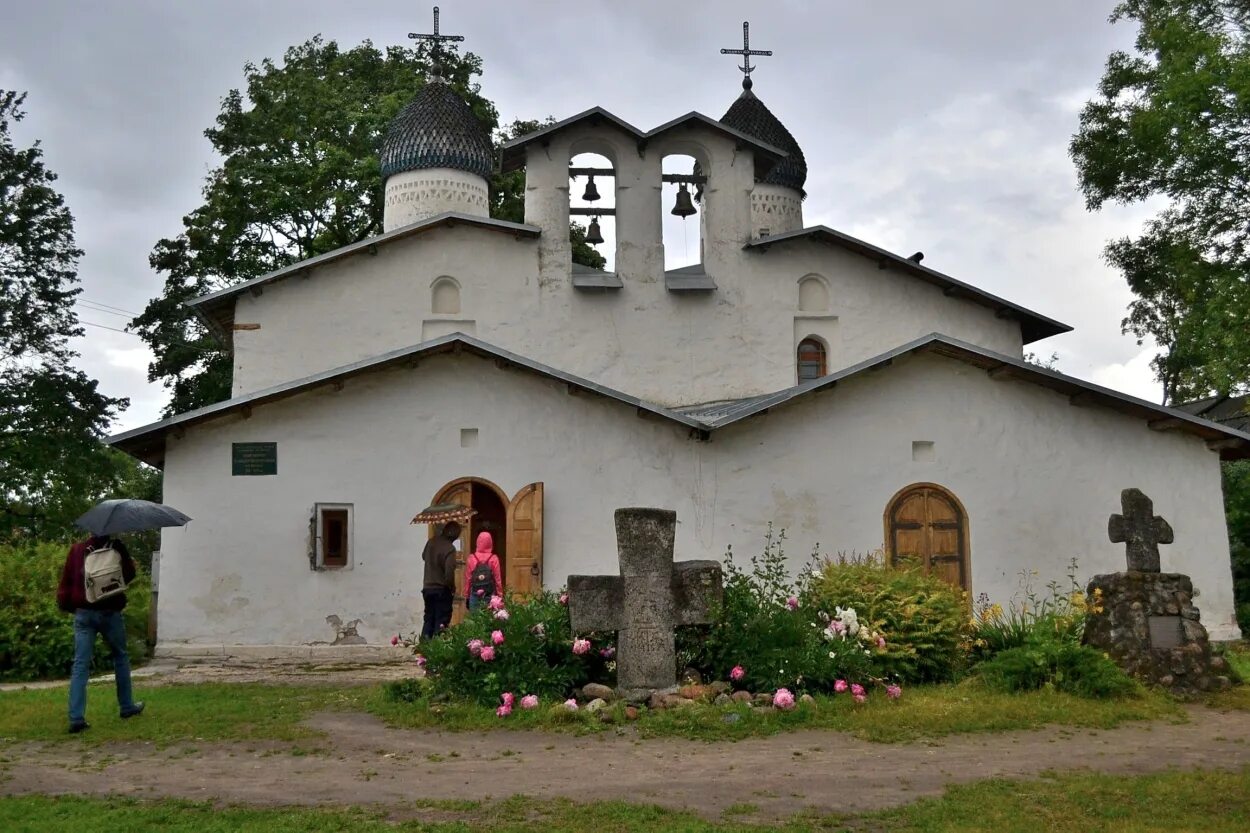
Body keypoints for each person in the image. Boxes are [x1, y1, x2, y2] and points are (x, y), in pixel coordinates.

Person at [56, 534, 144, 734]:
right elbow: (129, 575)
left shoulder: (77, 550)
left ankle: (76, 717)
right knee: (120, 656)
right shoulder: (116, 547)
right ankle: (127, 706)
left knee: (81, 664)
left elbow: (66, 583)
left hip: (84, 614)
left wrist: (72, 607)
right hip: (110, 612)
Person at [421, 521, 461, 639]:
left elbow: (423, 556)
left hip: (427, 587)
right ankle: (438, 648)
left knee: (428, 618)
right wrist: (452, 587)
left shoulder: (431, 542)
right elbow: (449, 573)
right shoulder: (450, 548)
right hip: (441, 589)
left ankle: (424, 647)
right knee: (441, 621)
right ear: (452, 534)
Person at [464, 531, 503, 611]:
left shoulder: (471, 558)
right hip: (489, 595)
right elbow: (497, 580)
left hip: (474, 594)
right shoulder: (494, 558)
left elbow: (468, 579)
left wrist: (467, 596)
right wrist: (500, 596)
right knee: (489, 621)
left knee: (474, 621)